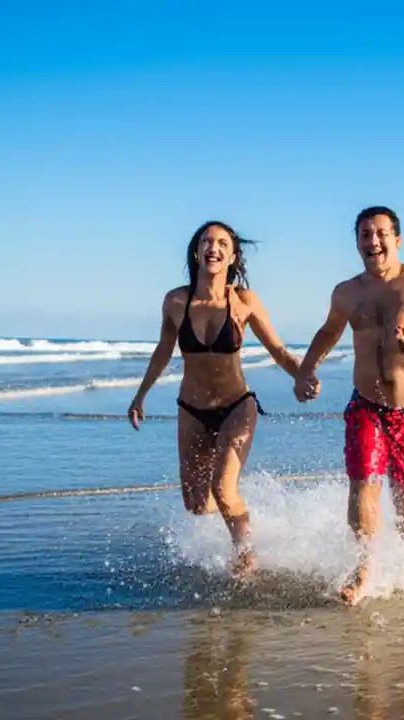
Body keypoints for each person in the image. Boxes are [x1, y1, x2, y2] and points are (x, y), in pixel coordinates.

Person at [294, 206, 404, 604]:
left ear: (397, 239)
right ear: (356, 242)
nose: (373, 242)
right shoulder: (346, 292)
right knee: (362, 486)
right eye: (365, 235)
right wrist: (306, 370)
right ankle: (363, 572)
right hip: (366, 405)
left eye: (381, 233)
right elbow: (328, 332)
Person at [127, 221, 301, 578]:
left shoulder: (243, 302)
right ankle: (246, 516)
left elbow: (278, 350)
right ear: (196, 251)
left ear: (232, 255)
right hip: (191, 410)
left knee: (223, 489)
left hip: (237, 405)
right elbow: (163, 351)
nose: (214, 247)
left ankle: (246, 554)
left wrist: (303, 374)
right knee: (197, 503)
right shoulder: (176, 301)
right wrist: (140, 394)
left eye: (223, 243)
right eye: (207, 241)